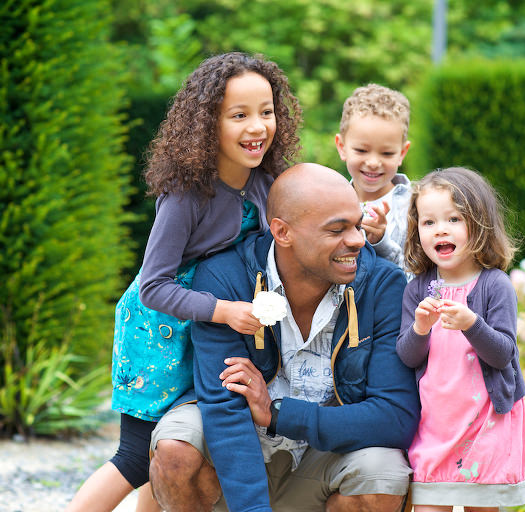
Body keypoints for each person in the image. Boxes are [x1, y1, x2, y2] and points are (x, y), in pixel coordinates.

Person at [65, 52, 302, 512]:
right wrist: (223, 310)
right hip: (157, 333)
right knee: (136, 457)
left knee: (169, 449)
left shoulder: (266, 182)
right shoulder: (186, 195)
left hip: (208, 335)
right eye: (239, 115)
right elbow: (153, 285)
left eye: (267, 112)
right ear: (207, 123)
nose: (258, 127)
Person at [148, 163, 420, 512]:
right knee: (176, 447)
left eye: (357, 223)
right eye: (337, 229)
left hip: (323, 462)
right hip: (240, 462)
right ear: (282, 232)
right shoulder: (226, 278)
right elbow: (224, 408)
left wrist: (278, 414)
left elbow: (395, 416)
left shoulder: (383, 284)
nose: (356, 240)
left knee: (383, 474)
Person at [395, 167, 525, 511]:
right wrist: (421, 328)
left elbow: (503, 355)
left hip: (485, 428)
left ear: (479, 223)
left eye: (454, 219)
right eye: (428, 222)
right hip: (435, 428)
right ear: (417, 231)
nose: (440, 228)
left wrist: (472, 322)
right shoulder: (418, 289)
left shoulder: (494, 285)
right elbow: (407, 357)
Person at [335, 83, 412, 272]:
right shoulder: (331, 201)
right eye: (361, 150)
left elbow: (417, 275)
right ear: (342, 147)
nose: (373, 163)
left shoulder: (414, 207)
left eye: (386, 154)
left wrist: (381, 242)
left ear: (402, 153)